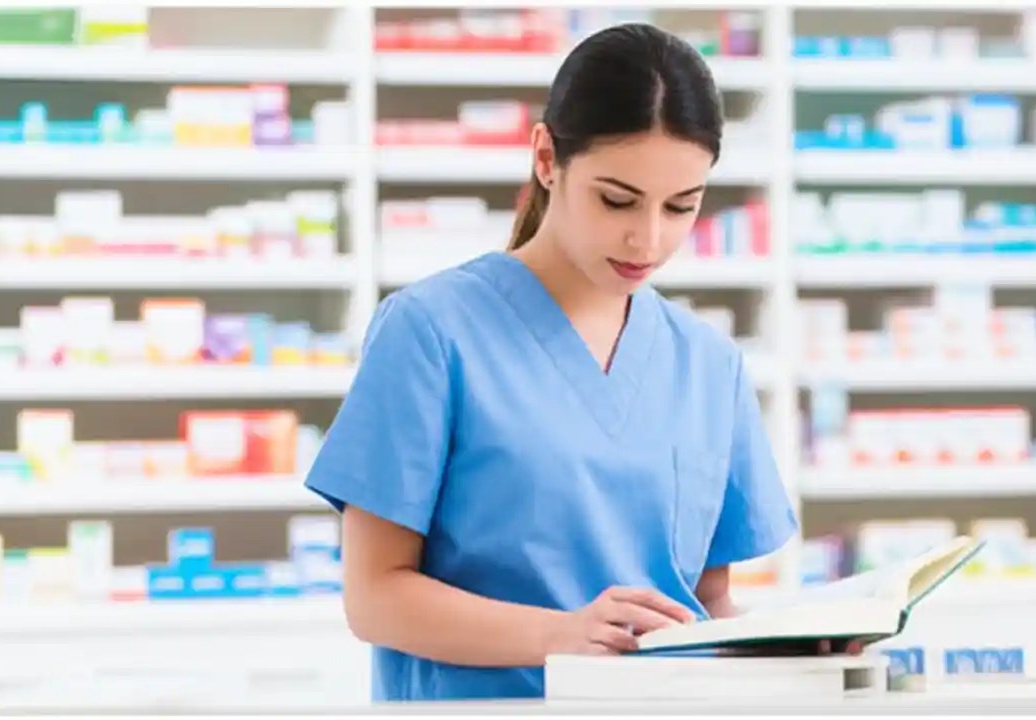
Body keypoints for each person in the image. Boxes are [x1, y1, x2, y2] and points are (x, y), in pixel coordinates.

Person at [304, 22, 797, 702]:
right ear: (546, 157)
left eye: (681, 207)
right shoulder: (432, 332)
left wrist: (802, 648)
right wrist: (561, 635)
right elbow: (374, 599)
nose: (646, 238)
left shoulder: (709, 365)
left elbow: (706, 610)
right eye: (616, 199)